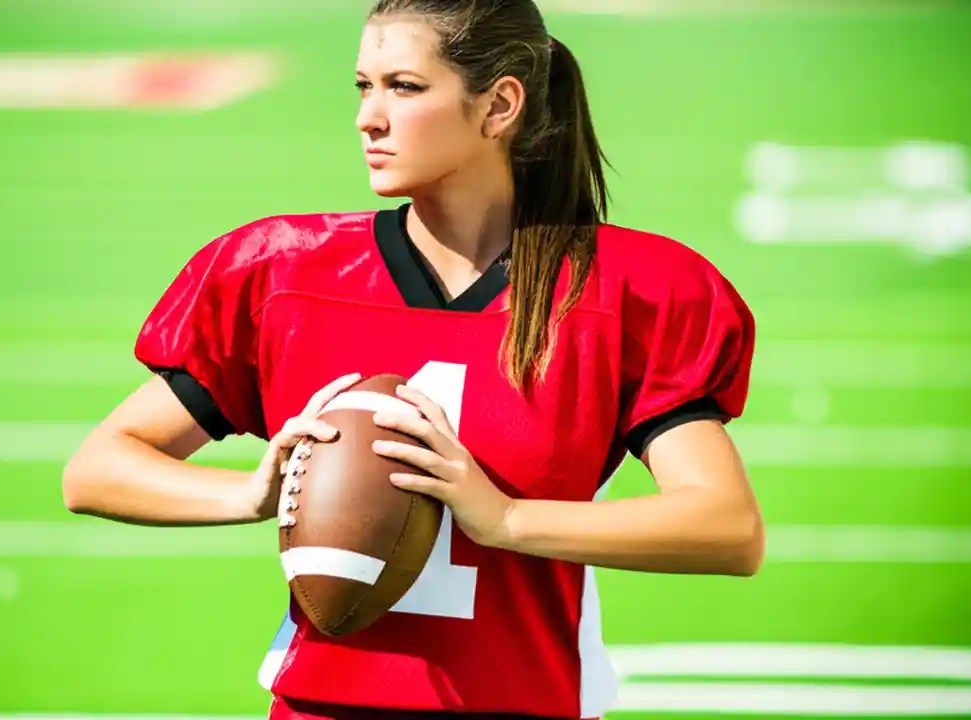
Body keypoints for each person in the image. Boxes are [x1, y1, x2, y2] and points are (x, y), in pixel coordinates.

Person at [62, 1, 764, 718]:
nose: (368, 117)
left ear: (499, 106)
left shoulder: (623, 290)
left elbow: (726, 527)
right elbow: (96, 469)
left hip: (523, 703)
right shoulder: (285, 272)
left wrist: (505, 519)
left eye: (403, 86)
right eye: (363, 87)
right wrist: (250, 494)